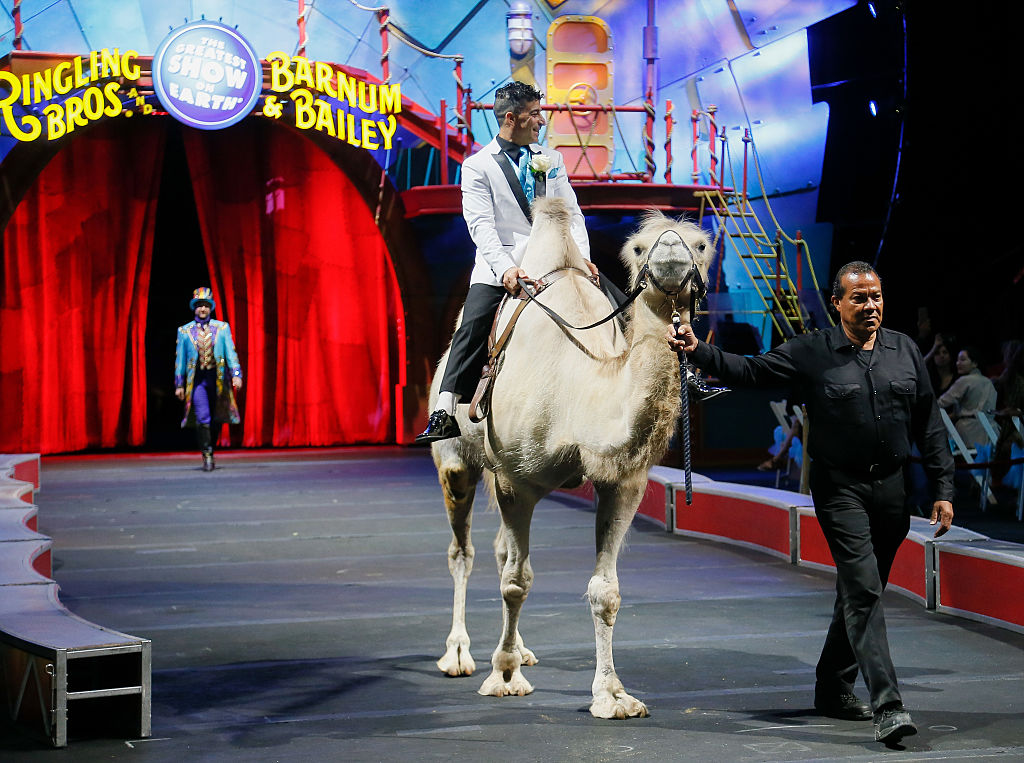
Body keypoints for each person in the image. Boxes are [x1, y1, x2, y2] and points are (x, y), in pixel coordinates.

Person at [670, 261, 954, 745]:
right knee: (863, 590)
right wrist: (699, 350)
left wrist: (944, 488)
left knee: (860, 591)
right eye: (859, 298)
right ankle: (889, 706)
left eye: (876, 296)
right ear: (837, 303)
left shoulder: (904, 349)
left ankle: (832, 687)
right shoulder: (811, 352)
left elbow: (929, 422)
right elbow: (752, 370)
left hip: (892, 490)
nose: (870, 306)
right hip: (839, 489)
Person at [416, 81, 726, 443]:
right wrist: (505, 269)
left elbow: (573, 213)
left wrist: (583, 258)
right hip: (503, 263)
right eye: (535, 114)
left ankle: (684, 374)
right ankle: (444, 409)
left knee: (628, 310)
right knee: (471, 326)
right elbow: (480, 225)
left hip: (557, 258)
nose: (541, 121)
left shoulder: (552, 159)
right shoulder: (476, 166)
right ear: (511, 118)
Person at [174, 287, 243, 471]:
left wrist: (236, 375)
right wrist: (179, 384)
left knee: (217, 416)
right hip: (198, 380)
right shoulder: (185, 331)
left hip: (217, 379)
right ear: (194, 308)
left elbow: (231, 354)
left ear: (210, 307)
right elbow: (180, 360)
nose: (202, 309)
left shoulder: (222, 328)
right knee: (202, 416)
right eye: (199, 305)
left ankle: (212, 446)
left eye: (205, 305)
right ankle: (207, 454)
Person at [937, 345, 997, 450]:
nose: (958, 363)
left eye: (963, 360)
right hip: (990, 431)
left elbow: (941, 402)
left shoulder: (965, 380)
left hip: (969, 431)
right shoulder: (988, 381)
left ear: (974, 363)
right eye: (957, 360)